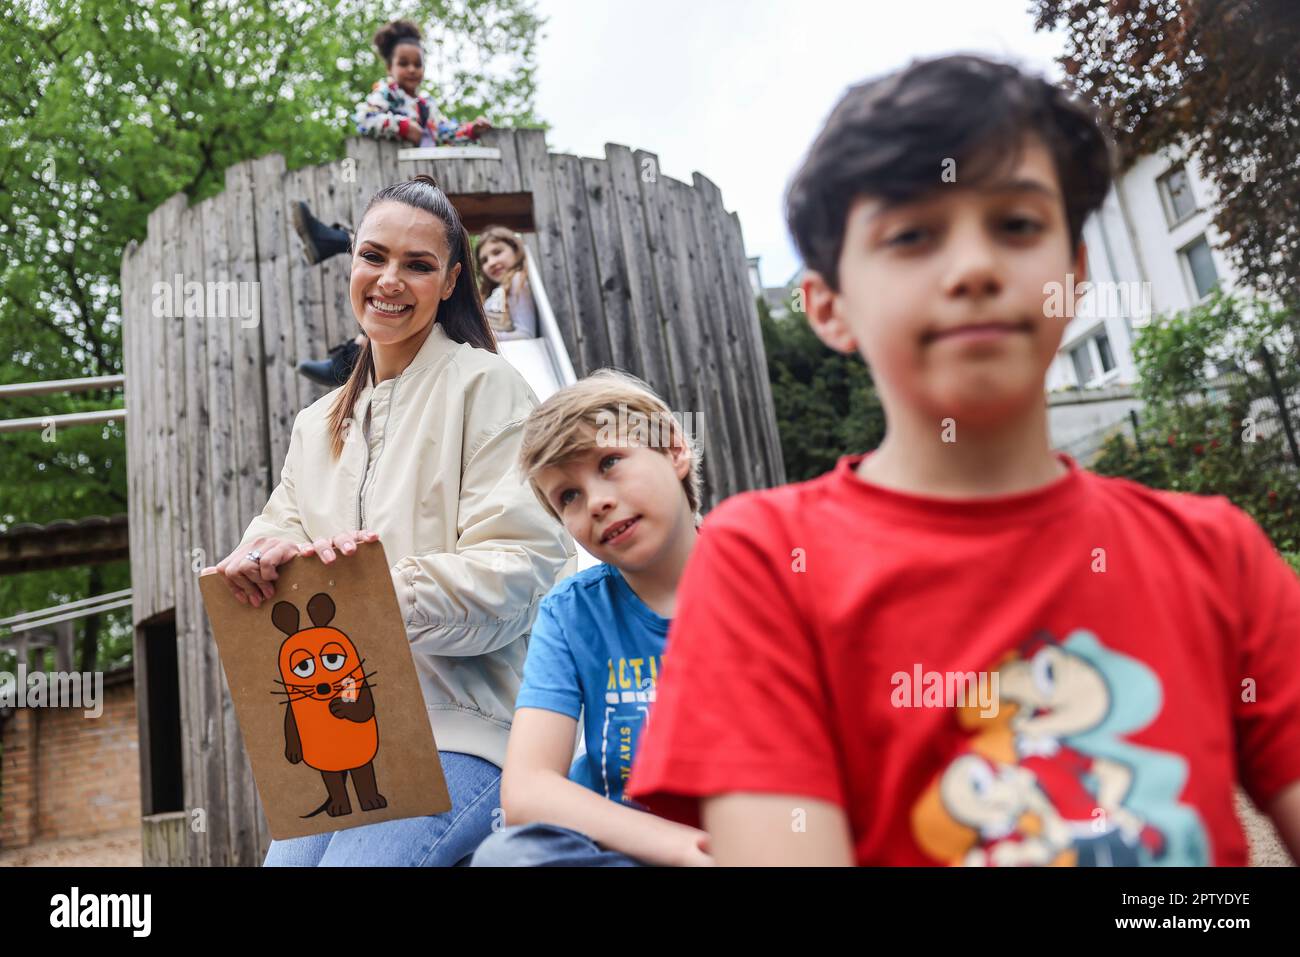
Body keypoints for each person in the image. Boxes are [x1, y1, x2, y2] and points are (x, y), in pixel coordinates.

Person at [624, 54, 1300, 866]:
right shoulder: (763, 563)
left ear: (1074, 276)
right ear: (829, 307)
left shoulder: (1219, 554)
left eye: (1017, 225)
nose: (975, 267)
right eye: (912, 235)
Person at [207, 173, 574, 866]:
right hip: (350, 736)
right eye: (374, 256)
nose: (389, 279)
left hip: (471, 730)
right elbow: (276, 527)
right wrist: (254, 564)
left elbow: (520, 563)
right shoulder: (316, 425)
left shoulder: (487, 385)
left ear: (450, 281)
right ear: (352, 263)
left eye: (418, 264)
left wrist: (376, 591)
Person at [469, 371, 711, 866]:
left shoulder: (765, 581)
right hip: (626, 849)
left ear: (674, 450)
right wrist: (688, 849)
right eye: (568, 497)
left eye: (610, 462)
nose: (597, 501)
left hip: (760, 839)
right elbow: (528, 790)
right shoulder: (572, 612)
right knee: (509, 857)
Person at [477, 226, 539, 342]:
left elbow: (526, 334)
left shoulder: (517, 280)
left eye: (497, 252)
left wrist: (484, 338)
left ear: (515, 250)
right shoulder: (497, 290)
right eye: (484, 260)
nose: (491, 262)